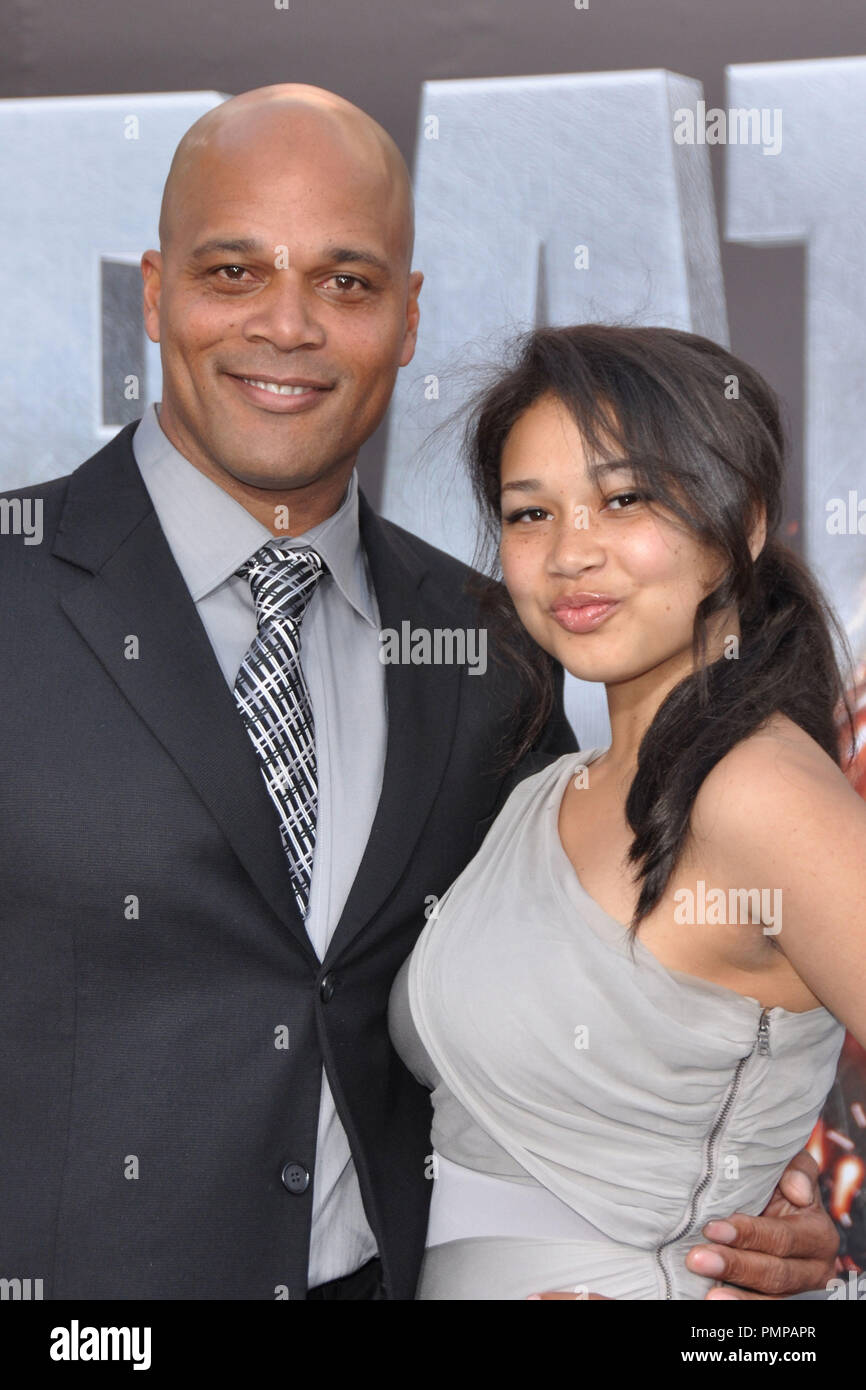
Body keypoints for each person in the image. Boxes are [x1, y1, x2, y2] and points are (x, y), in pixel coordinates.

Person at [0, 86, 838, 1301]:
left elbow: (601, 986)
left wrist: (743, 1209)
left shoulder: (489, 645)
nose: (286, 327)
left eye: (345, 282)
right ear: (153, 293)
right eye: (234, 272)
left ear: (405, 316)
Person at [389, 323, 866, 1299]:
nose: (570, 553)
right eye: (529, 515)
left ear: (739, 525)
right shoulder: (543, 791)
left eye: (621, 500)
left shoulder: (755, 793)